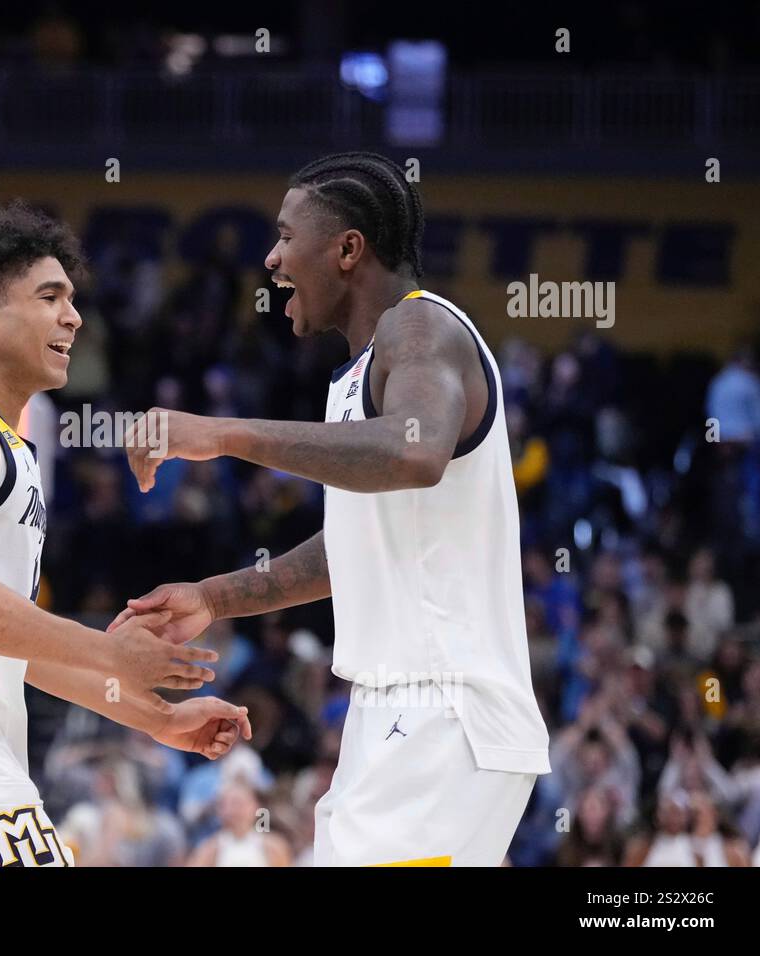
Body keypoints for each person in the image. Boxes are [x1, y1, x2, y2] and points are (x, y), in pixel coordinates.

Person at [113, 152, 550, 866]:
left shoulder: (422, 330)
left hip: (444, 711)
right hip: (398, 714)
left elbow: (414, 452)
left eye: (287, 236)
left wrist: (222, 434)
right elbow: (355, 545)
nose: (272, 257)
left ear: (348, 249)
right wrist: (213, 597)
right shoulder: (358, 377)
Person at [0, 202, 250, 867]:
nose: (74, 317)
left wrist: (155, 716)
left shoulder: (16, 448)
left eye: (73, 299)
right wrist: (109, 651)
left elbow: (15, 646)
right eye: (49, 296)